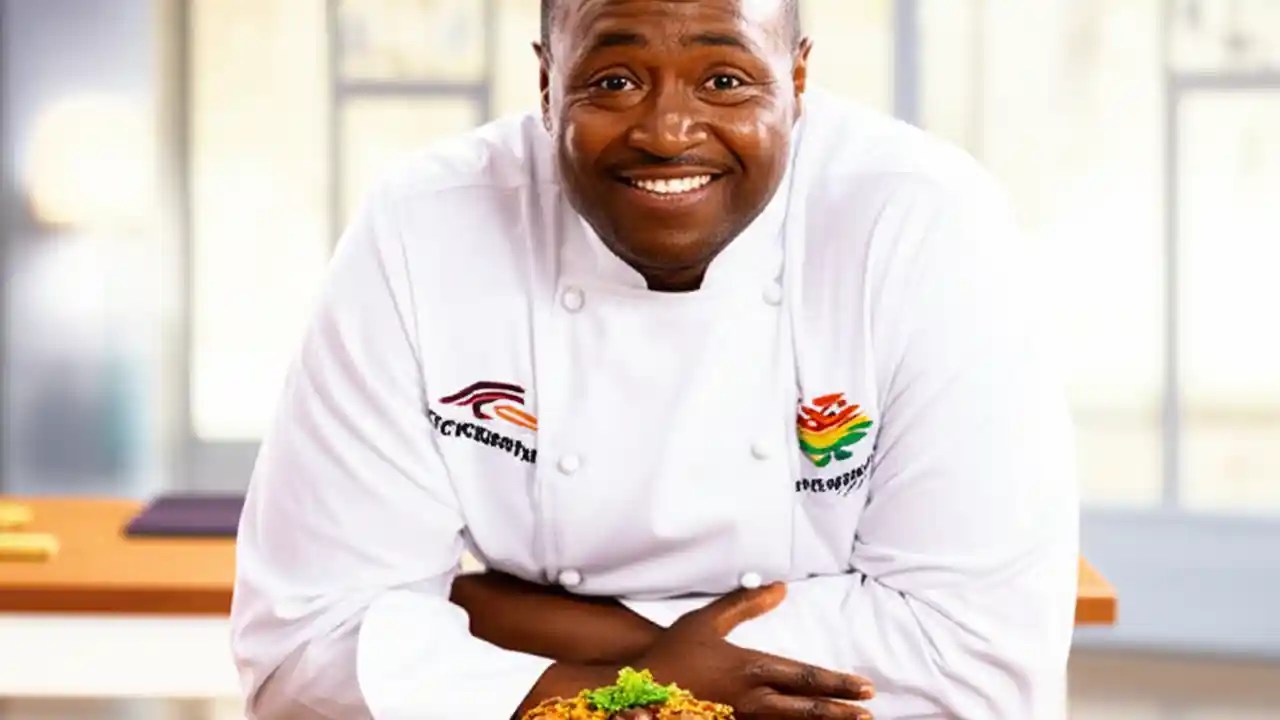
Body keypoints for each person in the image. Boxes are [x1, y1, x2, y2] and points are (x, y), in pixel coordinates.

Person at [229, 0, 1079, 717]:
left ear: (798, 80)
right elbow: (301, 653)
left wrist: (522, 630)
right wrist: (634, 688)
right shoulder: (423, 228)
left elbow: (979, 661)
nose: (669, 132)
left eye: (725, 80)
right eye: (615, 81)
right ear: (546, 84)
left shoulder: (922, 220)